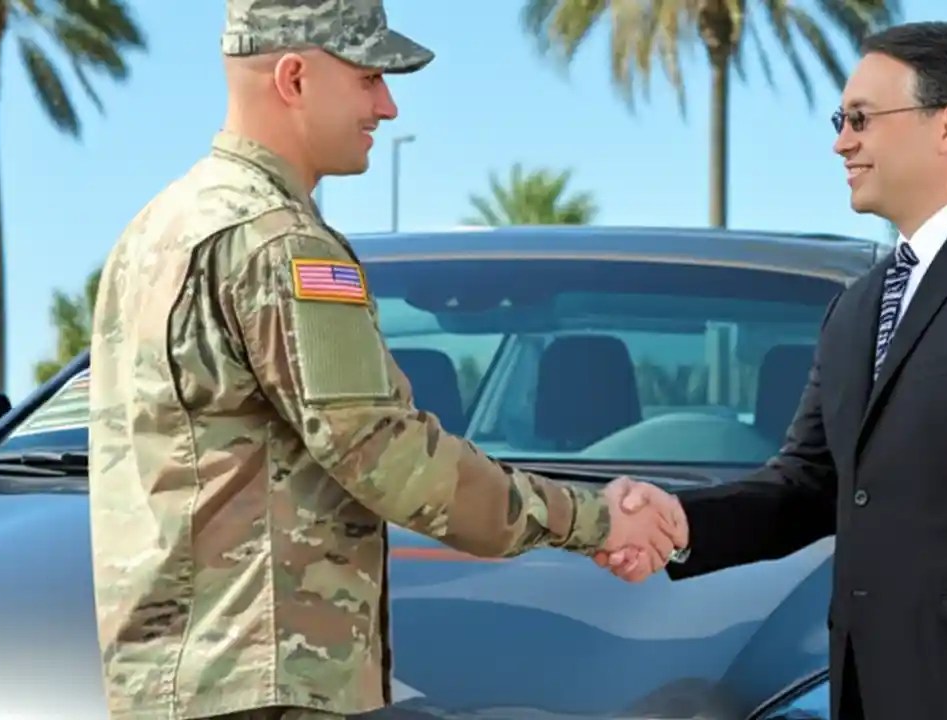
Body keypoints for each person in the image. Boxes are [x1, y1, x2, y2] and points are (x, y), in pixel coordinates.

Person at [85, 1, 685, 719]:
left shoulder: (156, 231)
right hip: (267, 682)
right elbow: (384, 454)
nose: (388, 105)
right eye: (369, 77)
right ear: (295, 77)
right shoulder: (281, 244)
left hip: (174, 682)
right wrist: (591, 519)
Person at [600, 20, 947, 720]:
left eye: (861, 118)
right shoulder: (857, 307)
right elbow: (809, 483)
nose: (842, 140)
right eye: (843, 120)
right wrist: (681, 521)